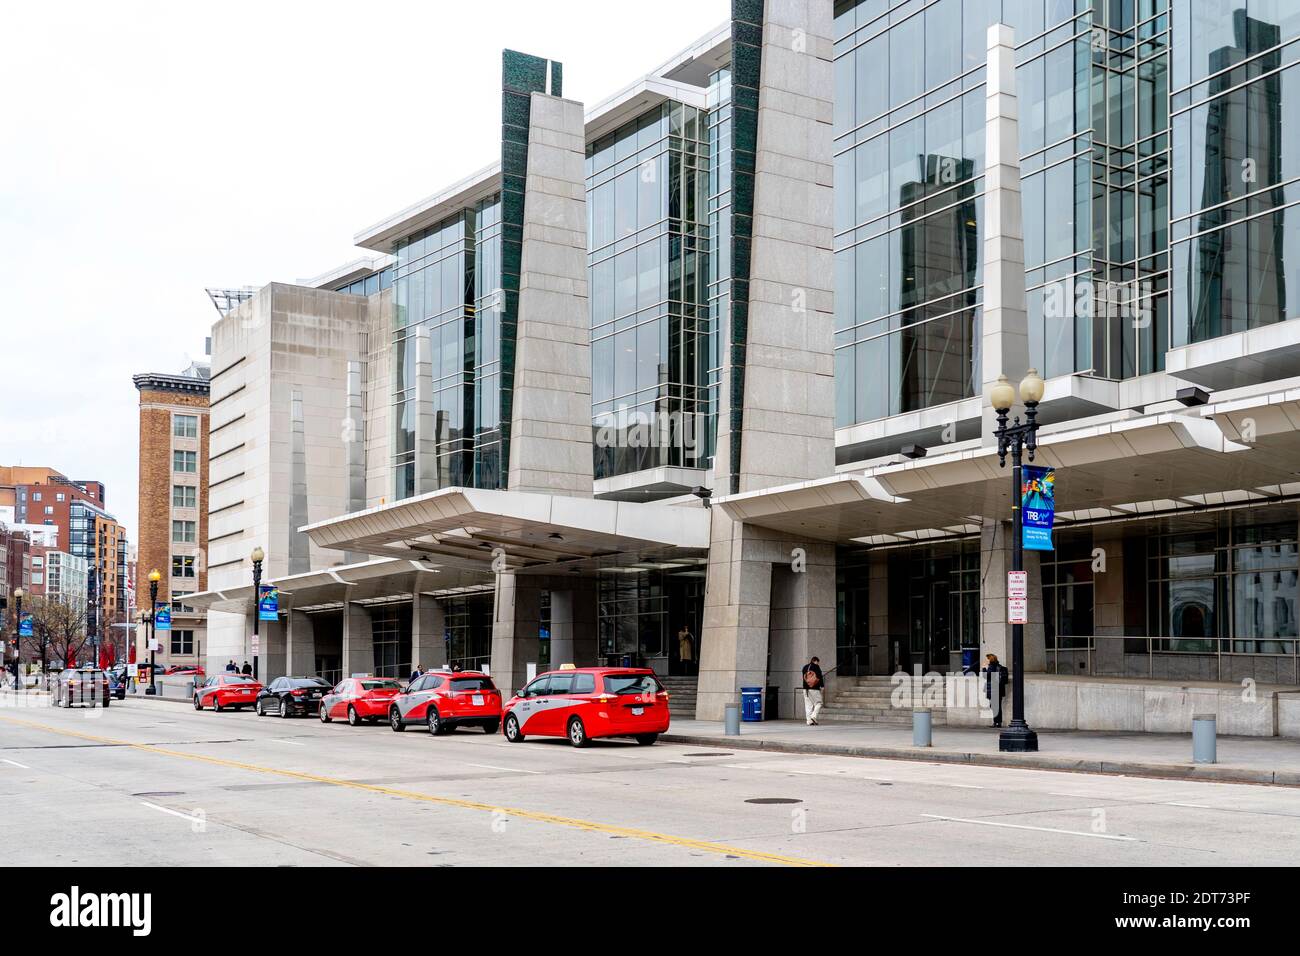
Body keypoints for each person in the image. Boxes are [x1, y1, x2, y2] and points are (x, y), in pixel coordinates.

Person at [982, 653, 1009, 728]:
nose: (986, 661)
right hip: (999, 689)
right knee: (997, 706)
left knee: (994, 706)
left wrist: (984, 668)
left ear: (990, 659)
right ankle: (998, 722)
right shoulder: (999, 666)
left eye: (987, 659)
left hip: (994, 689)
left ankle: (996, 722)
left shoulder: (991, 667)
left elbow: (986, 676)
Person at [800, 656, 825, 726]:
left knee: (808, 705)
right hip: (814, 688)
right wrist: (822, 686)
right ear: (816, 661)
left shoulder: (805, 667)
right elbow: (820, 677)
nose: (818, 664)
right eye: (818, 662)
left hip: (805, 688)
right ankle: (813, 716)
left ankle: (809, 721)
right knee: (819, 702)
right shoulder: (816, 667)